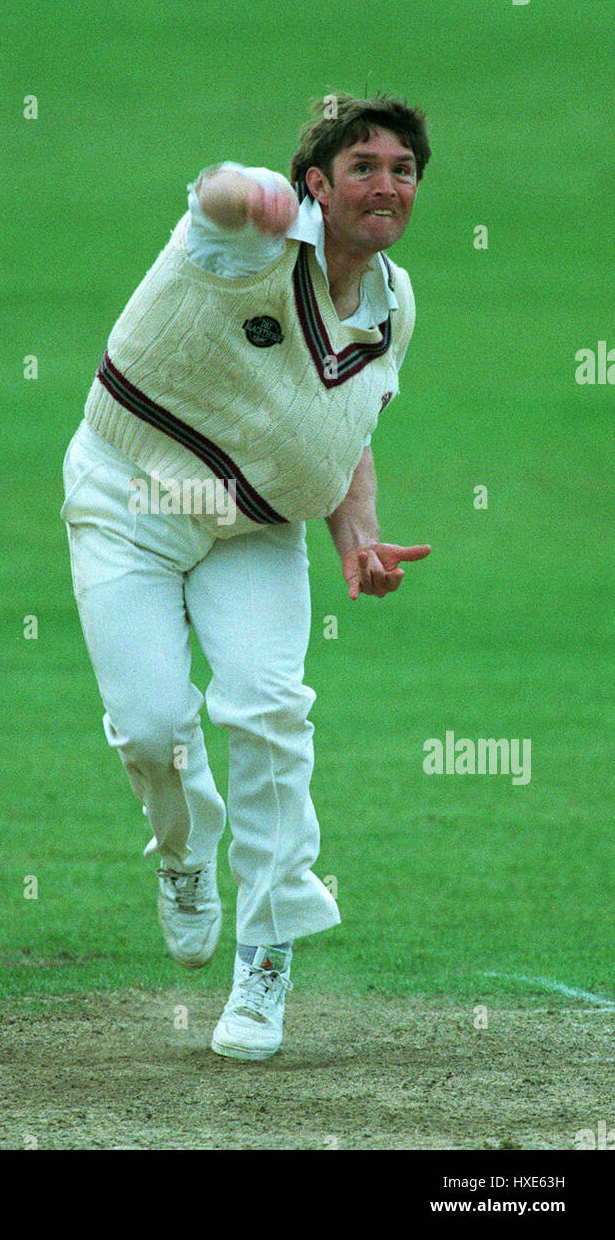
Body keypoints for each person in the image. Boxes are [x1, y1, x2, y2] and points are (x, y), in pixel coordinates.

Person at [60, 92, 432, 1060]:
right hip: (130, 500)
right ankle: (185, 858)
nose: (385, 184)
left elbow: (342, 429)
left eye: (400, 168)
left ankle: (264, 958)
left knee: (268, 709)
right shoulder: (249, 237)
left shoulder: (391, 304)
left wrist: (358, 533)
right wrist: (251, 193)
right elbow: (218, 197)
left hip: (256, 529)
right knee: (148, 724)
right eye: (362, 167)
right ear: (315, 184)